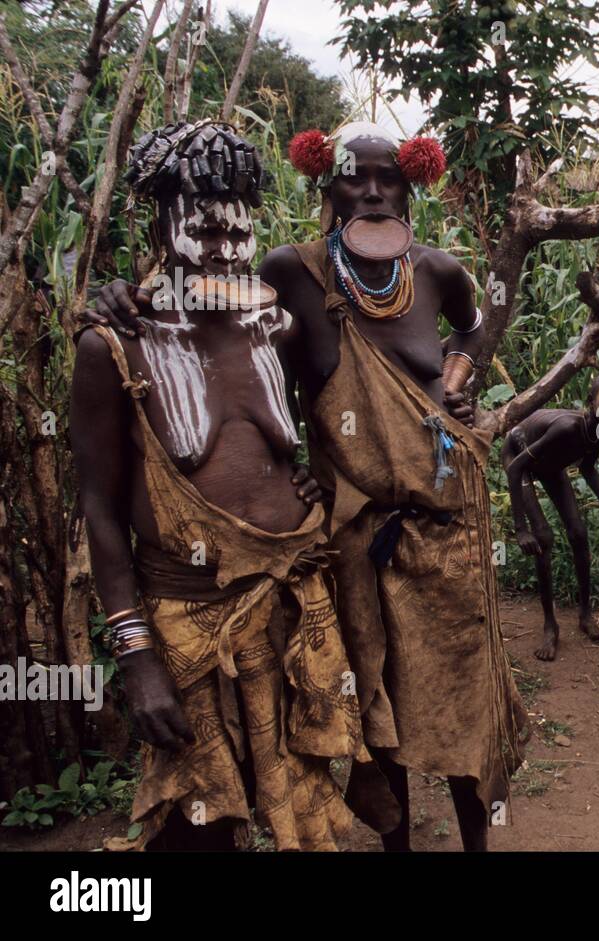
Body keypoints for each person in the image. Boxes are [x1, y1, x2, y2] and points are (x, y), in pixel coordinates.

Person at [92, 121, 526, 852]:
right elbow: (109, 495)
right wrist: (111, 299)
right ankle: (395, 843)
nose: (374, 191)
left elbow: (471, 336)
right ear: (326, 185)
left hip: (397, 542)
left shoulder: (391, 285)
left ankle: (471, 838)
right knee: (350, 702)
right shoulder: (257, 290)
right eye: (356, 176)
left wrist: (456, 388)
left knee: (428, 709)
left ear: (412, 185)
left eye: (391, 178)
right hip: (306, 552)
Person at [73, 121, 362, 851]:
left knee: (304, 798)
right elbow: (100, 507)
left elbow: (327, 421)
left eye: (241, 223)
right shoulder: (115, 346)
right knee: (198, 816)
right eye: (205, 222)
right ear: (158, 219)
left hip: (291, 603)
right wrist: (135, 653)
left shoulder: (278, 326)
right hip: (184, 618)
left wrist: (304, 481)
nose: (227, 244)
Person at [504, 372, 599, 660]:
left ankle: (585, 616)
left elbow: (587, 467)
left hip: (549, 464)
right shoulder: (567, 428)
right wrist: (521, 529)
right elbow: (516, 468)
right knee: (543, 538)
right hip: (518, 457)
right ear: (590, 401)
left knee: (579, 534)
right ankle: (550, 627)